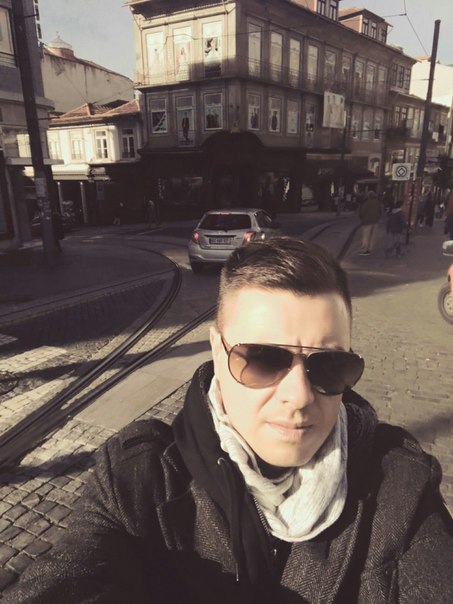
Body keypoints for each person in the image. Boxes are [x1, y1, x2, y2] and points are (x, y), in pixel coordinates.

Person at [4, 237, 453, 603]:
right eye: (263, 359)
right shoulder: (134, 482)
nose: (298, 396)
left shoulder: (400, 487)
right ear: (218, 352)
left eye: (330, 365)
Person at [358, 190, 382, 254]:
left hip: (367, 222)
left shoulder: (366, 203)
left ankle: (365, 248)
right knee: (372, 236)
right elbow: (380, 212)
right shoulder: (378, 203)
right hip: (375, 222)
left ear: (368, 196)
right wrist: (377, 218)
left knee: (366, 236)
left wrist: (362, 219)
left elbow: (362, 212)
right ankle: (370, 248)